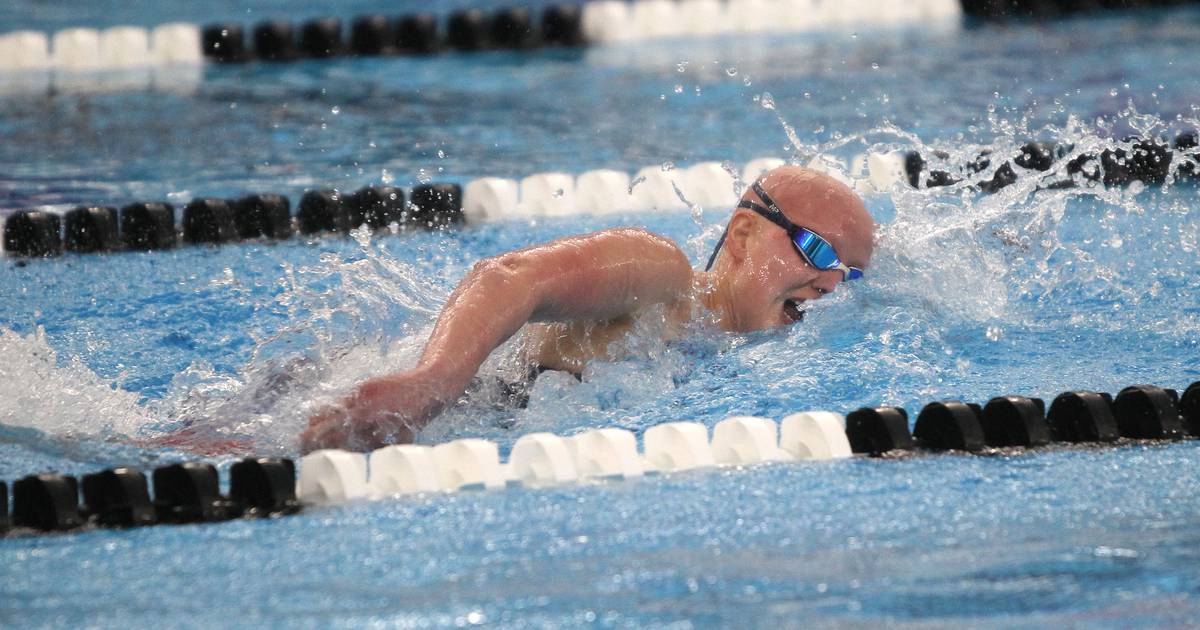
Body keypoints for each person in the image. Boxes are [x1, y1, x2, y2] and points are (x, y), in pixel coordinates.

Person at [300, 165, 875, 452]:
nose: (831, 283)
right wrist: (432, 383)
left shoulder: (741, 360)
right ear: (745, 234)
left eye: (849, 273)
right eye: (816, 250)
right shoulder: (663, 278)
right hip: (373, 398)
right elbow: (508, 277)